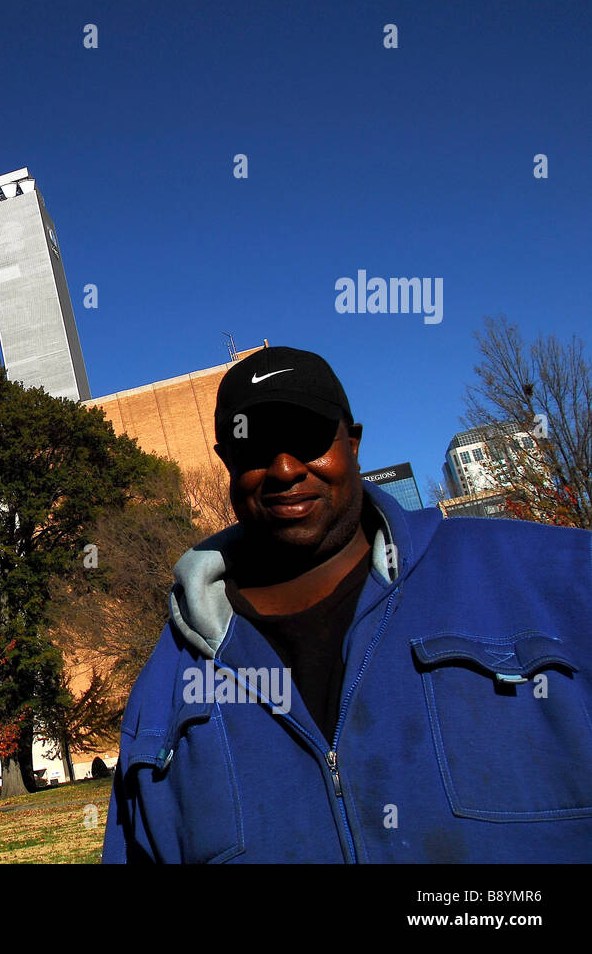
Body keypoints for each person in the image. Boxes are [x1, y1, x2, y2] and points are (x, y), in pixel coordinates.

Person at [102, 345, 592, 862]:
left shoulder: (551, 577)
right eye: (256, 447)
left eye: (308, 439)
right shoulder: (163, 690)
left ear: (352, 445)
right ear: (227, 463)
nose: (285, 468)